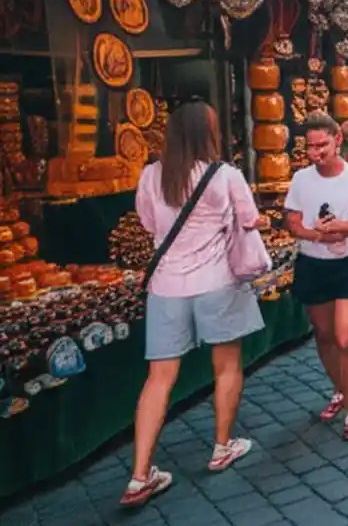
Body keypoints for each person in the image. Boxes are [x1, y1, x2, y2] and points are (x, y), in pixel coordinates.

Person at [121, 102, 264, 507]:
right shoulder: (226, 175)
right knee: (227, 366)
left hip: (167, 286)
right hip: (217, 281)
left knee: (159, 378)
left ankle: (139, 475)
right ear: (209, 133)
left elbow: (149, 224)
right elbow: (249, 218)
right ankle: (222, 446)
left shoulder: (152, 175)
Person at [284, 113, 348, 441]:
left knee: (344, 336)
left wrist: (341, 227)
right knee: (324, 335)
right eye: (310, 147)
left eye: (322, 145)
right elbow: (293, 222)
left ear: (337, 140)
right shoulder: (301, 179)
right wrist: (316, 236)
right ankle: (340, 390)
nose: (316, 153)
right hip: (314, 263)